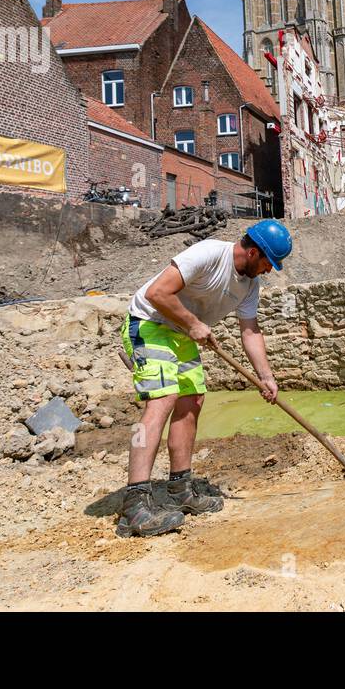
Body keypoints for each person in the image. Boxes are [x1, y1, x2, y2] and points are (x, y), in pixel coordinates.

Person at [115, 219, 292, 537]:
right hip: (149, 323)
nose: (269, 271)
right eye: (269, 263)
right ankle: (134, 505)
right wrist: (194, 323)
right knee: (163, 398)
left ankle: (180, 488)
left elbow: (250, 331)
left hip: (181, 334)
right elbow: (157, 292)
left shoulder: (249, 286)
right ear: (253, 253)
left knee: (192, 399)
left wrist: (266, 376)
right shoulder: (210, 253)